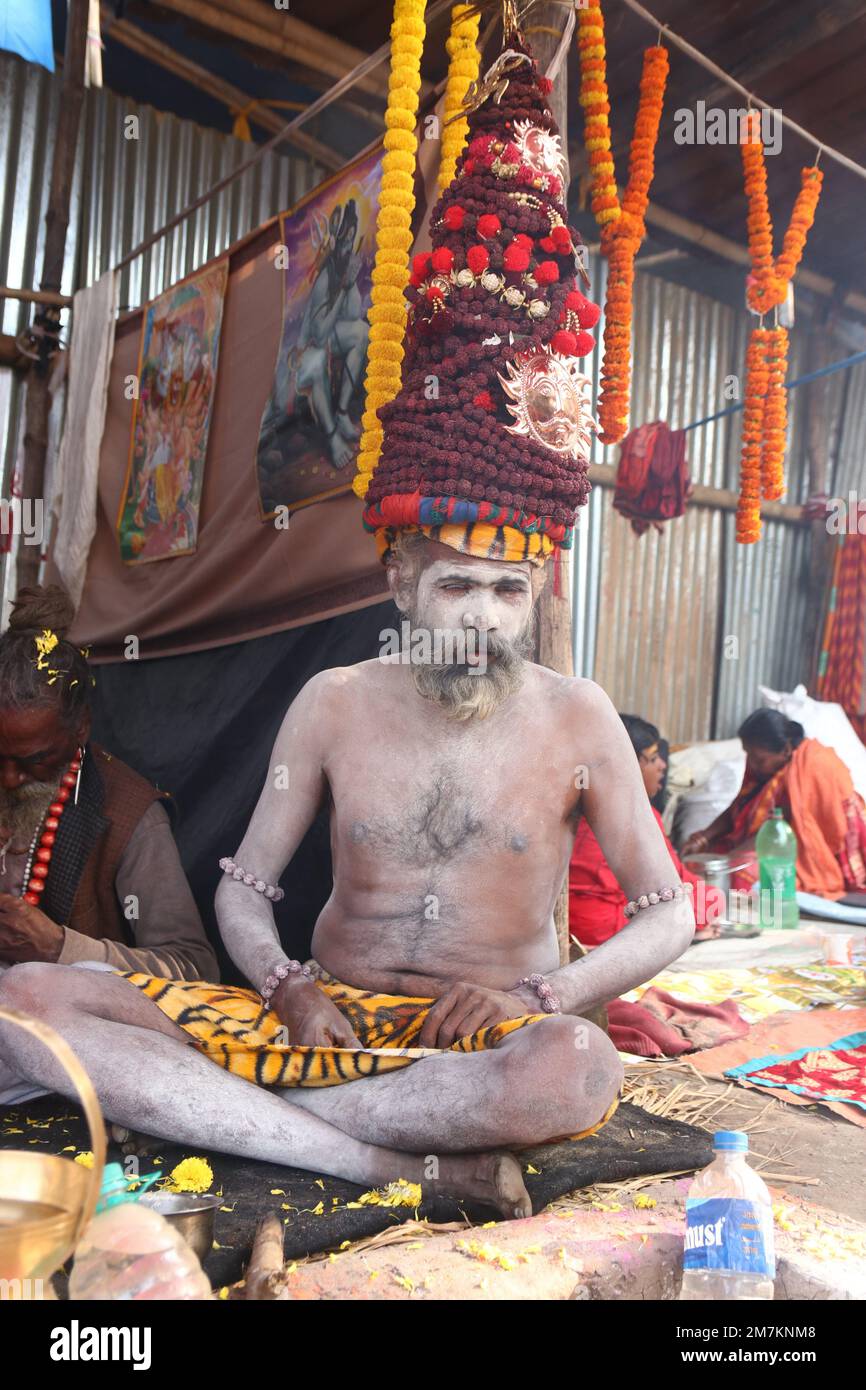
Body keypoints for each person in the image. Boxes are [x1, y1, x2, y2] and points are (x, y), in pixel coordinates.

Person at [0, 33, 694, 1218]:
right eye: (453, 585)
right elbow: (244, 886)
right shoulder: (332, 704)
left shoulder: (576, 718)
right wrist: (278, 984)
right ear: (397, 575)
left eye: (506, 589)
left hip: (475, 1049)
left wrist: (540, 998)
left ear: (536, 589)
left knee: (576, 1068)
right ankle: (385, 1163)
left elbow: (669, 909)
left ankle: (280, 1133)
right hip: (315, 1022)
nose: (480, 618)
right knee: (28, 1005)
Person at [0, 584, 217, 981]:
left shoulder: (132, 816)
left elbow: (194, 968)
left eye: (34, 760)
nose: (11, 779)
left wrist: (59, 947)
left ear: (80, 727)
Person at [682, 708, 866, 899]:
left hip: (813, 849)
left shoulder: (813, 766)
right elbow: (740, 807)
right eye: (748, 756)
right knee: (705, 860)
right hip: (766, 839)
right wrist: (703, 838)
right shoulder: (762, 767)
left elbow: (783, 827)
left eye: (759, 759)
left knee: (743, 873)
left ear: (785, 751)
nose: (751, 765)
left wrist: (731, 860)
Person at [570, 715, 713, 947]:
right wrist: (704, 914)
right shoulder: (638, 817)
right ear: (629, 763)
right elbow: (673, 891)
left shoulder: (571, 804)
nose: (662, 766)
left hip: (568, 929)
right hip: (605, 931)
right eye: (654, 758)